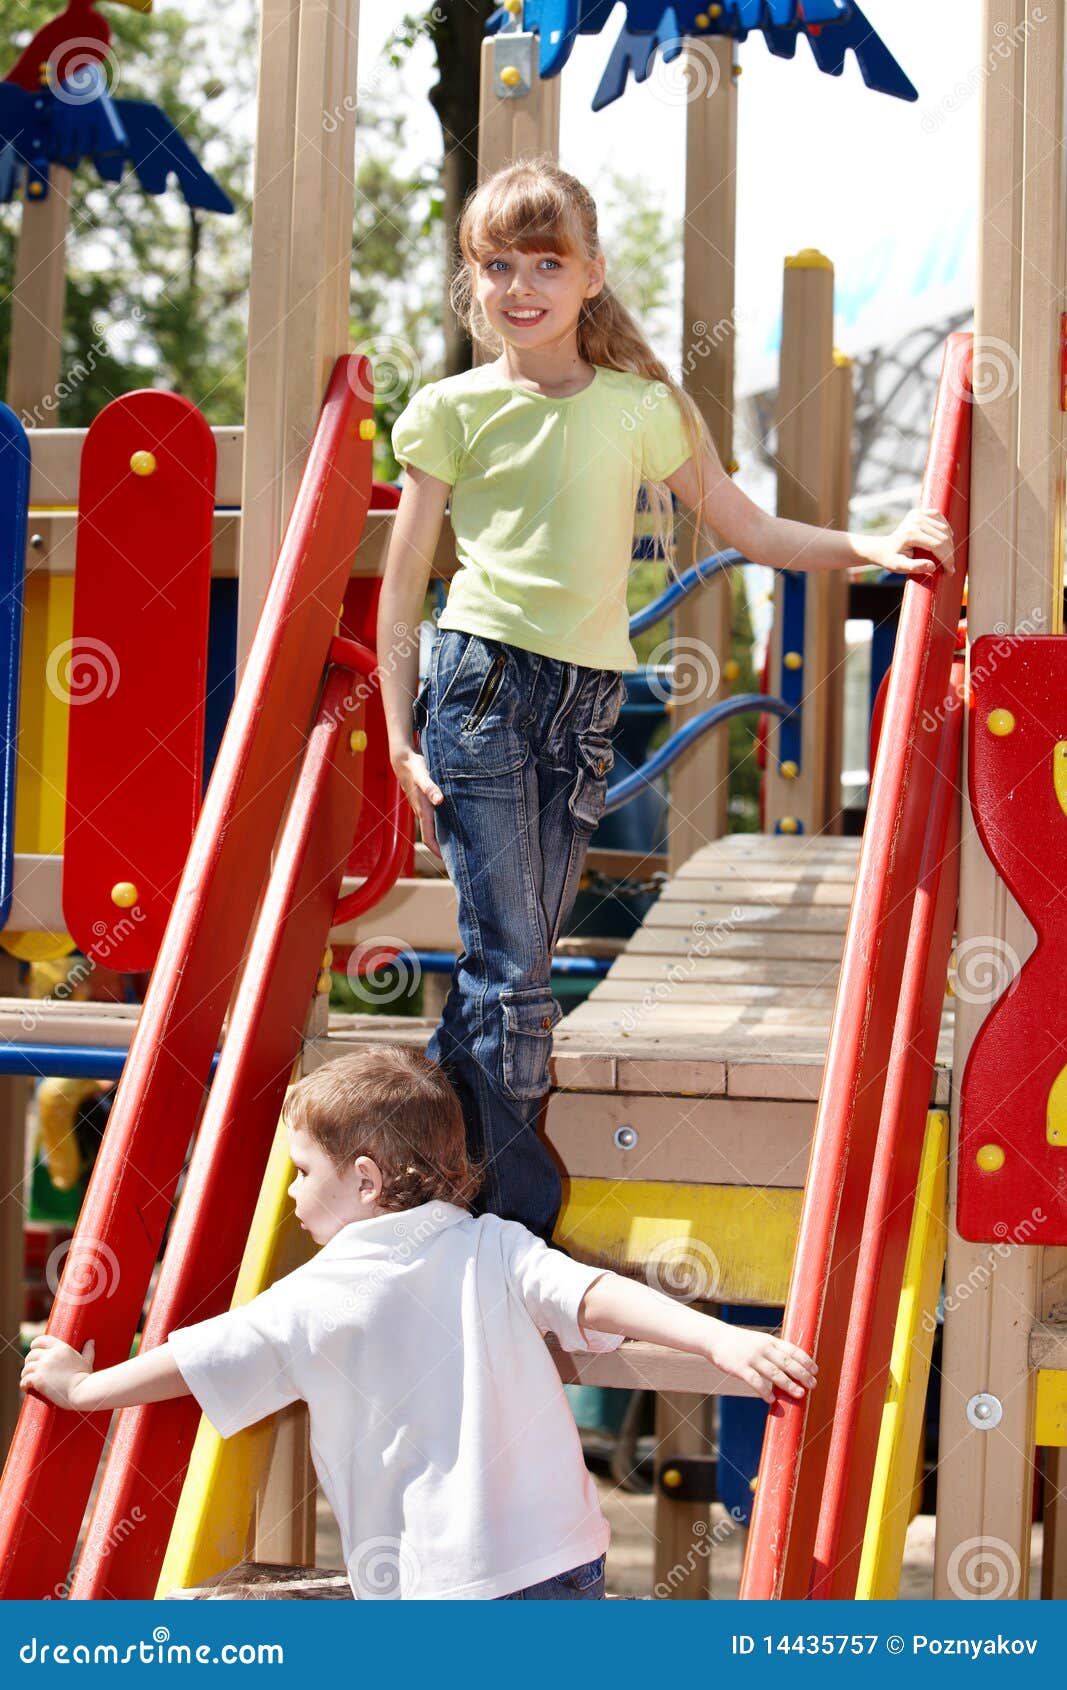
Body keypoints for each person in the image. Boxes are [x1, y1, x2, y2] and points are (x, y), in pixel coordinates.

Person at [378, 159, 955, 1245]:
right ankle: (510, 1212)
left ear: (589, 274)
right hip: (482, 685)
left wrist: (871, 544)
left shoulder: (643, 409)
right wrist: (399, 729)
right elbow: (404, 584)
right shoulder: (450, 410)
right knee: (511, 973)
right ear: (472, 280)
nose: (520, 286)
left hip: (586, 701)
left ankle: (431, 1173)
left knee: (514, 962)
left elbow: (754, 531)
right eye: (496, 264)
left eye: (545, 262)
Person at [21, 1047, 817, 1603]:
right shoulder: (494, 1245)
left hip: (438, 1587)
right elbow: (595, 1294)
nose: (293, 1193)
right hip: (561, 1557)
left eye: (302, 1171)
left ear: (364, 1180)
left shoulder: (314, 1295)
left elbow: (190, 1362)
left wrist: (82, 1386)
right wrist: (718, 1337)